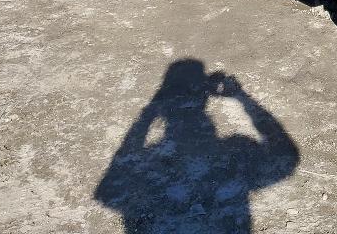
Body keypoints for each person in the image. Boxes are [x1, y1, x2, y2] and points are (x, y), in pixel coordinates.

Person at [95, 59, 299, 234]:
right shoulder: (237, 150)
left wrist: (148, 113)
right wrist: (241, 97)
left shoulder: (152, 160)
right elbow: (288, 157)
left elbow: (106, 193)